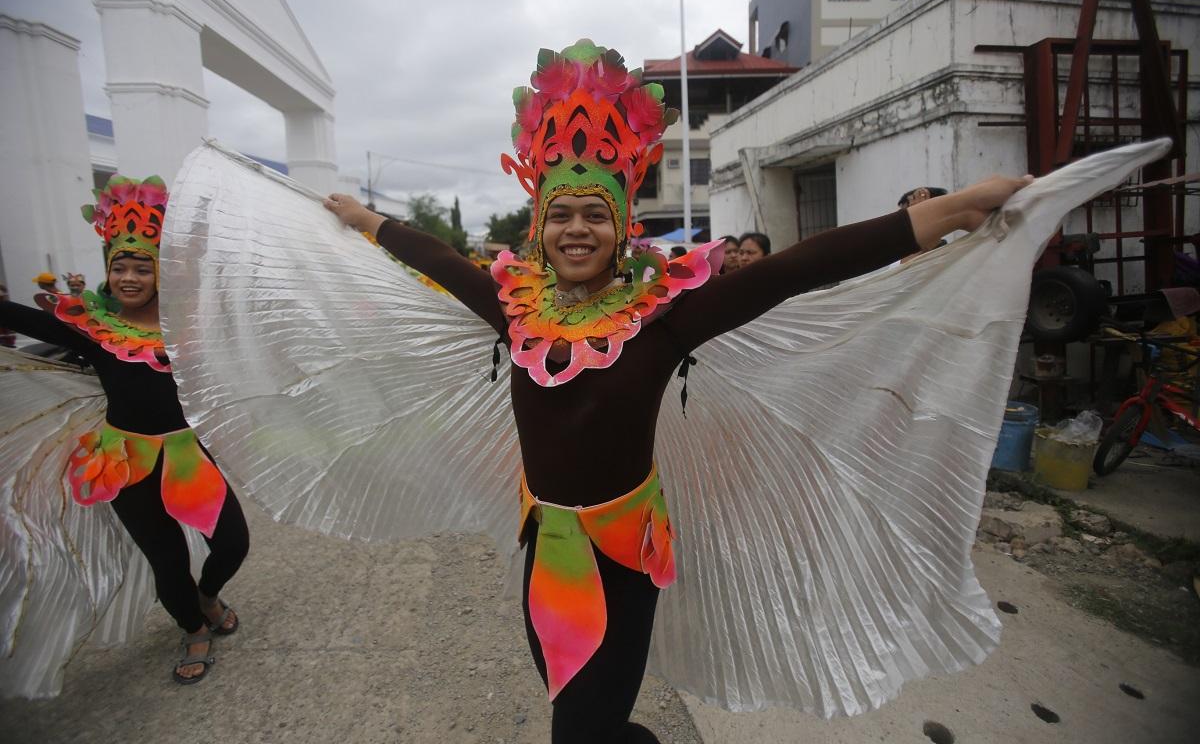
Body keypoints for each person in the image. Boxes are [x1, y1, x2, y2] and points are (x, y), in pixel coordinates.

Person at [319, 39, 1031, 743]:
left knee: (577, 731)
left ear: (622, 226)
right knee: (571, 699)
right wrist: (367, 221)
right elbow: (440, 260)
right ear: (540, 226)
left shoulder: (661, 322)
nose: (576, 229)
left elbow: (794, 271)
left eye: (594, 214)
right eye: (561, 214)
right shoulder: (515, 310)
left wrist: (956, 208)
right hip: (548, 552)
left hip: (626, 555)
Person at [0, 175, 249, 686]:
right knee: (166, 559)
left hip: (184, 455)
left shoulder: (187, 326)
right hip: (124, 460)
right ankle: (193, 627)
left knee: (232, 543)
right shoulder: (94, 331)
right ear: (108, 272)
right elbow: (24, 319)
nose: (129, 277)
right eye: (120, 267)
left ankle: (208, 594)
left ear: (161, 273)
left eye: (142, 267)